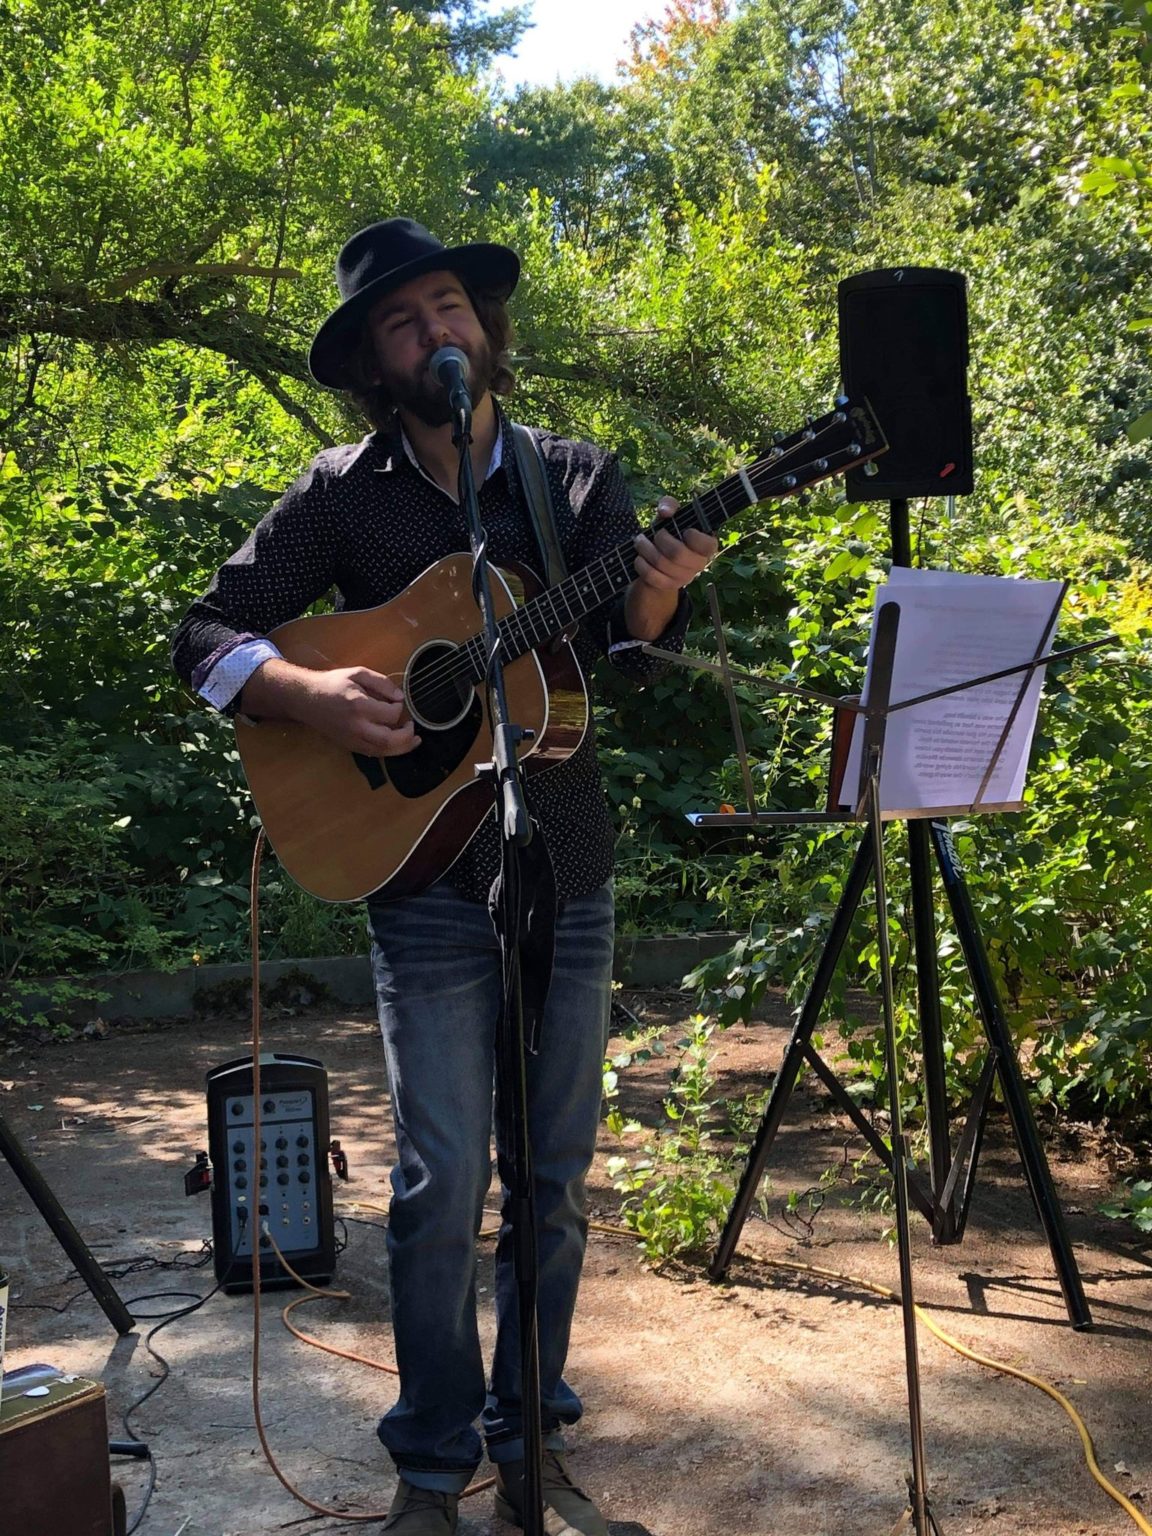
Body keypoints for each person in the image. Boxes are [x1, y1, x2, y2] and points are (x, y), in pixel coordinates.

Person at [172, 217, 717, 1535]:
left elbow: (624, 661)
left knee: (554, 1175)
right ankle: (430, 1456)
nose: (440, 331)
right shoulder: (339, 496)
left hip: (564, 866)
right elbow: (200, 636)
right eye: (408, 320)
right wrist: (304, 690)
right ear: (376, 360)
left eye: (453, 306)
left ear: (487, 328)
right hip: (416, 879)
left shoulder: (572, 479)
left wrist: (656, 599)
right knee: (438, 1179)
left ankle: (528, 1424)